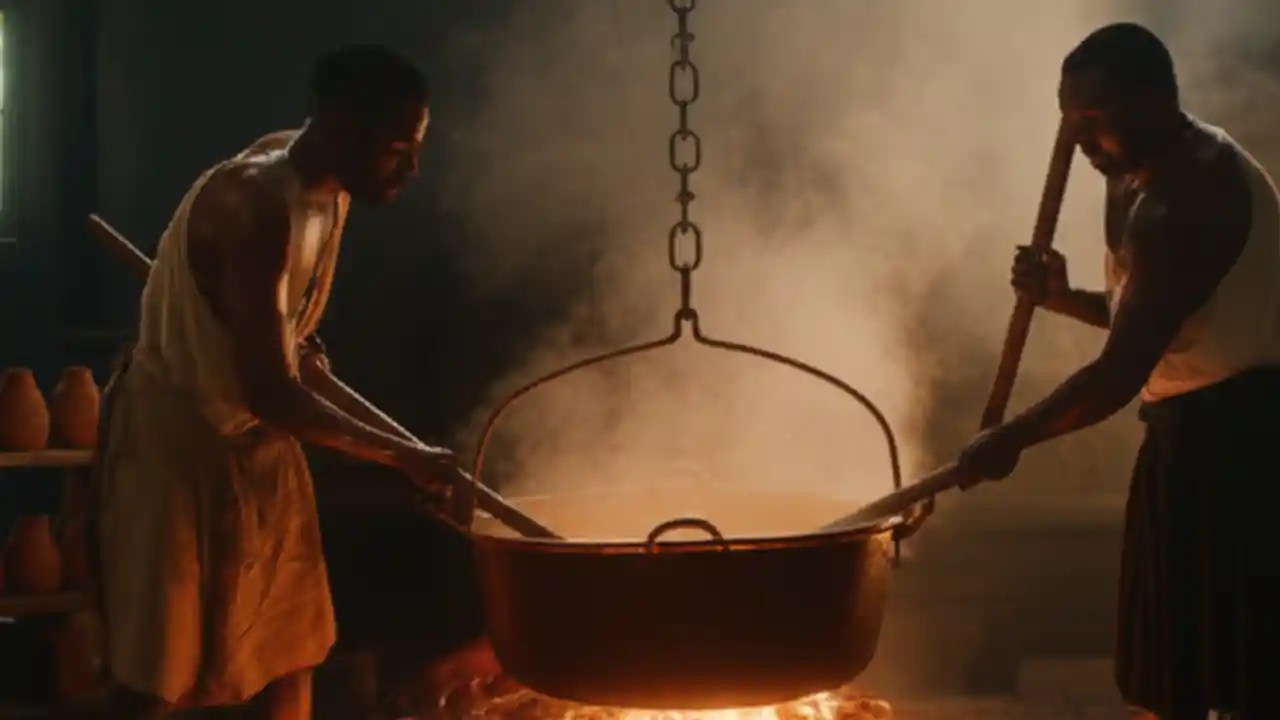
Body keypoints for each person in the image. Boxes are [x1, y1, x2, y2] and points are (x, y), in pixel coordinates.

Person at [93, 45, 470, 719]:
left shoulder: (330, 194)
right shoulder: (254, 204)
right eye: (396, 149)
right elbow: (272, 389)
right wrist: (401, 457)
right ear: (341, 127)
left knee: (292, 653)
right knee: (158, 676)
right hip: (180, 448)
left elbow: (298, 370)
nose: (411, 168)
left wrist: (415, 455)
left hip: (259, 443)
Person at [952, 22, 1280, 720]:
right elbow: (1156, 318)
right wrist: (1064, 299)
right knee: (1173, 674)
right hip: (1184, 433)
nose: (1078, 140)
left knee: (1239, 670)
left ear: (1156, 99)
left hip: (1243, 446)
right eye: (1068, 119)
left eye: (1093, 119)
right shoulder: (1130, 173)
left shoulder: (1190, 194)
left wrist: (1010, 438)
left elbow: (1119, 372)